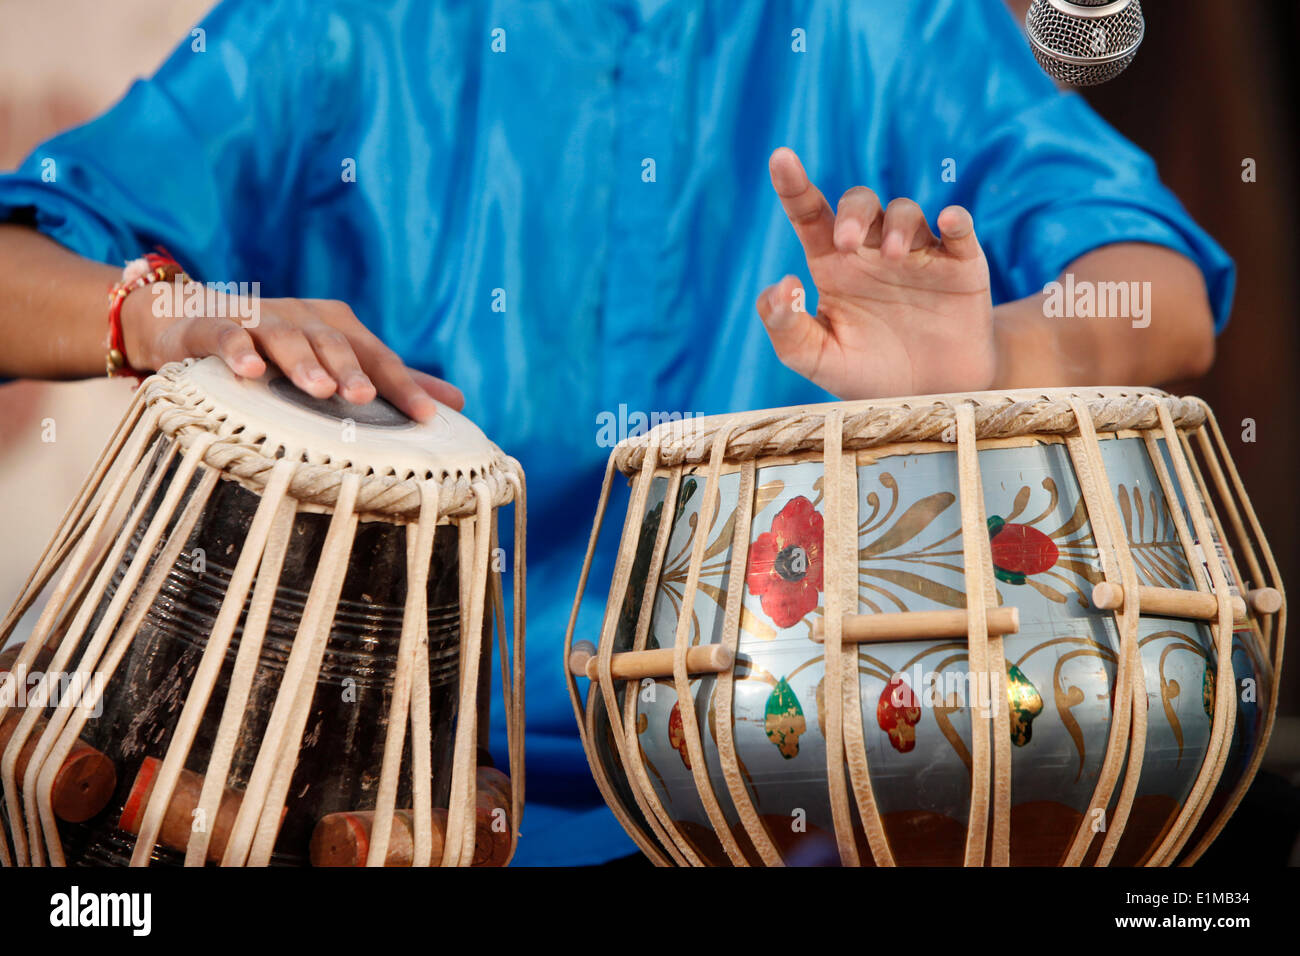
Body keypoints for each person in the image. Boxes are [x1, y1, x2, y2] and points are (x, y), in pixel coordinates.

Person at [0, 0, 1232, 865]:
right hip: (350, 780)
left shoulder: (890, 23)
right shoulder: (343, 22)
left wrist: (1002, 352)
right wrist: (172, 311)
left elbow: (1158, 291)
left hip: (790, 792)